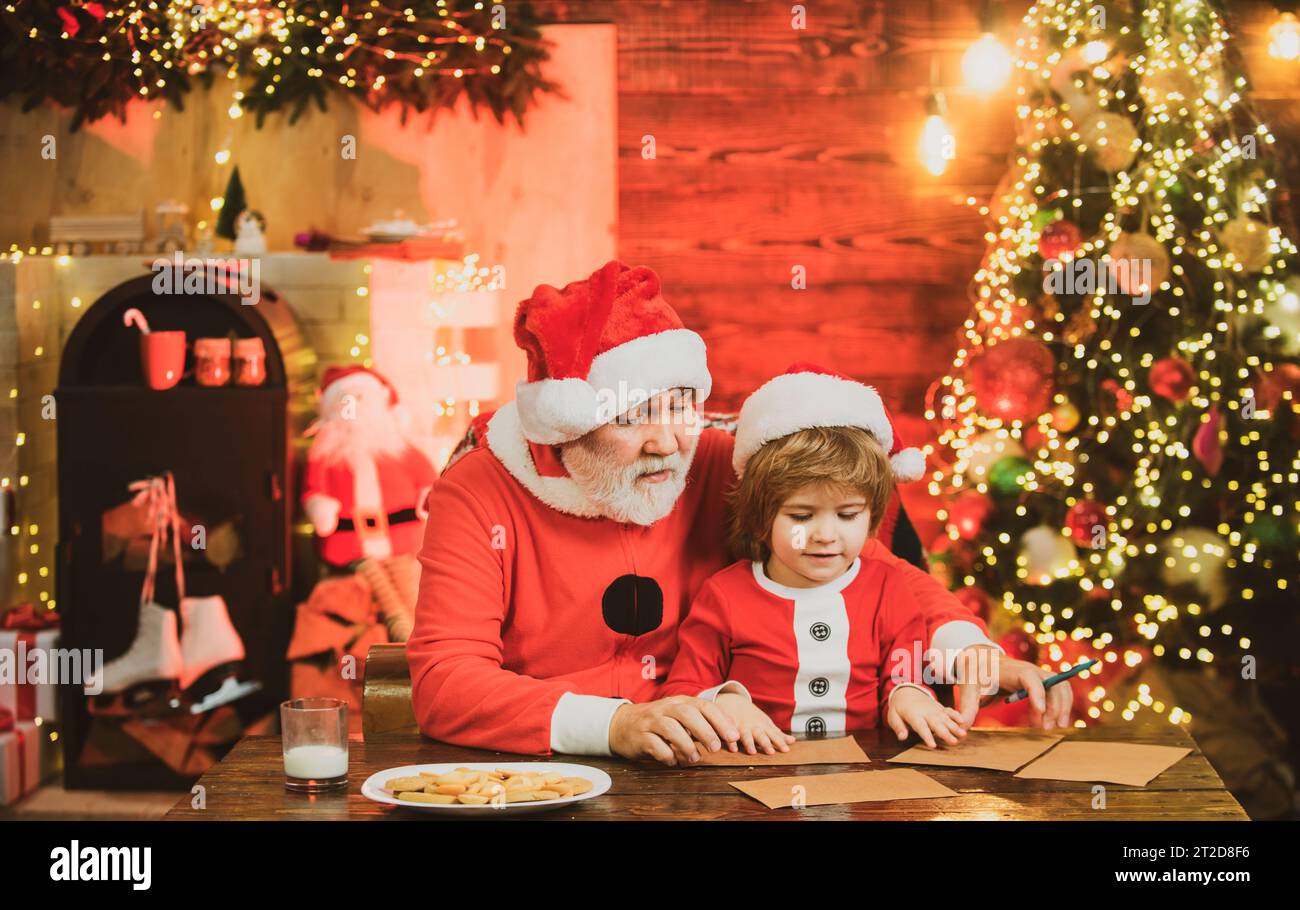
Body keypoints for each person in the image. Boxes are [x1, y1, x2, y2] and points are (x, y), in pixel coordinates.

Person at [406, 260, 1072, 767]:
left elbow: (865, 565)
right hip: (556, 771)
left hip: (725, 765)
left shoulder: (716, 460)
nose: (666, 441)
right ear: (567, 424)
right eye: (632, 418)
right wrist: (610, 725)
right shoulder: (480, 491)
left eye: (678, 407)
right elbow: (446, 682)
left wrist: (969, 649)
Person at [662, 364, 971, 754]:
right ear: (761, 517)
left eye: (847, 515)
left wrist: (909, 694)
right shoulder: (724, 594)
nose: (825, 535)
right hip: (756, 777)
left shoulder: (888, 588)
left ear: (872, 516)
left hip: (866, 778)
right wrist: (725, 701)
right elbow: (683, 690)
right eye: (801, 516)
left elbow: (906, 665)